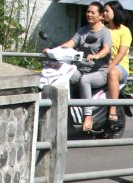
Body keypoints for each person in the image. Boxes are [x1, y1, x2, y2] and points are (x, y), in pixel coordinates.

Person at [45, 2, 112, 132]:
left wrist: (97, 56)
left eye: (93, 12)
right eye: (88, 12)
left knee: (84, 80)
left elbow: (106, 49)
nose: (89, 14)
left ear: (101, 16)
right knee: (64, 74)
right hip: (81, 69)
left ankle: (88, 116)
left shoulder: (105, 32)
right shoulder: (82, 30)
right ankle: (63, 109)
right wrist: (52, 50)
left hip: (99, 72)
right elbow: (70, 43)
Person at [102, 1, 132, 130]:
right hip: (102, 66)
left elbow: (122, 53)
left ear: (115, 12)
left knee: (113, 72)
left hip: (120, 68)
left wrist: (111, 66)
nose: (104, 13)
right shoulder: (102, 29)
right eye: (103, 11)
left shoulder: (124, 31)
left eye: (107, 11)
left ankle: (112, 110)